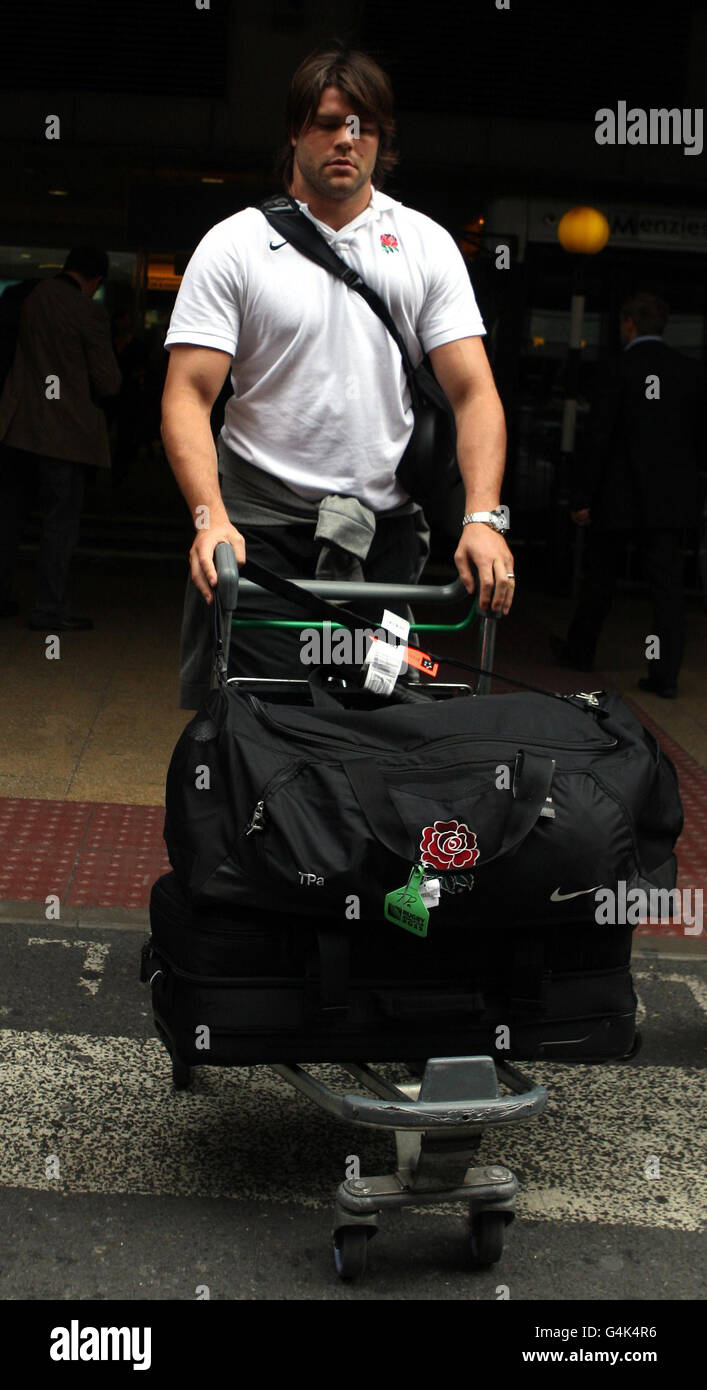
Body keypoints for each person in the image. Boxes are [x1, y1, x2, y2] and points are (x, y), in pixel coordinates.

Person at [161, 42, 514, 708]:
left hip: (379, 544)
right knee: (259, 720)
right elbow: (187, 394)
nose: (345, 140)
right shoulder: (236, 245)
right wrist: (210, 520)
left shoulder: (424, 245)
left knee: (378, 727)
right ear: (295, 132)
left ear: (382, 140)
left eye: (363, 126)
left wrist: (483, 517)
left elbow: (474, 393)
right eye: (327, 122)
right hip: (258, 533)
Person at [551, 291, 704, 698]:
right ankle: (665, 674)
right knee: (667, 589)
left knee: (600, 578)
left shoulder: (616, 370)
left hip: (618, 496)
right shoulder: (690, 372)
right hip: (668, 501)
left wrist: (582, 496)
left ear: (630, 324)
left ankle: (580, 652)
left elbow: (598, 438)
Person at [0, 245, 121, 629]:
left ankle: (3, 596)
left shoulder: (26, 297)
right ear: (95, 280)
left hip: (16, 426)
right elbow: (108, 381)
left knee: (9, 518)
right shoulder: (88, 311)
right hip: (63, 433)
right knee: (59, 524)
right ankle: (49, 609)